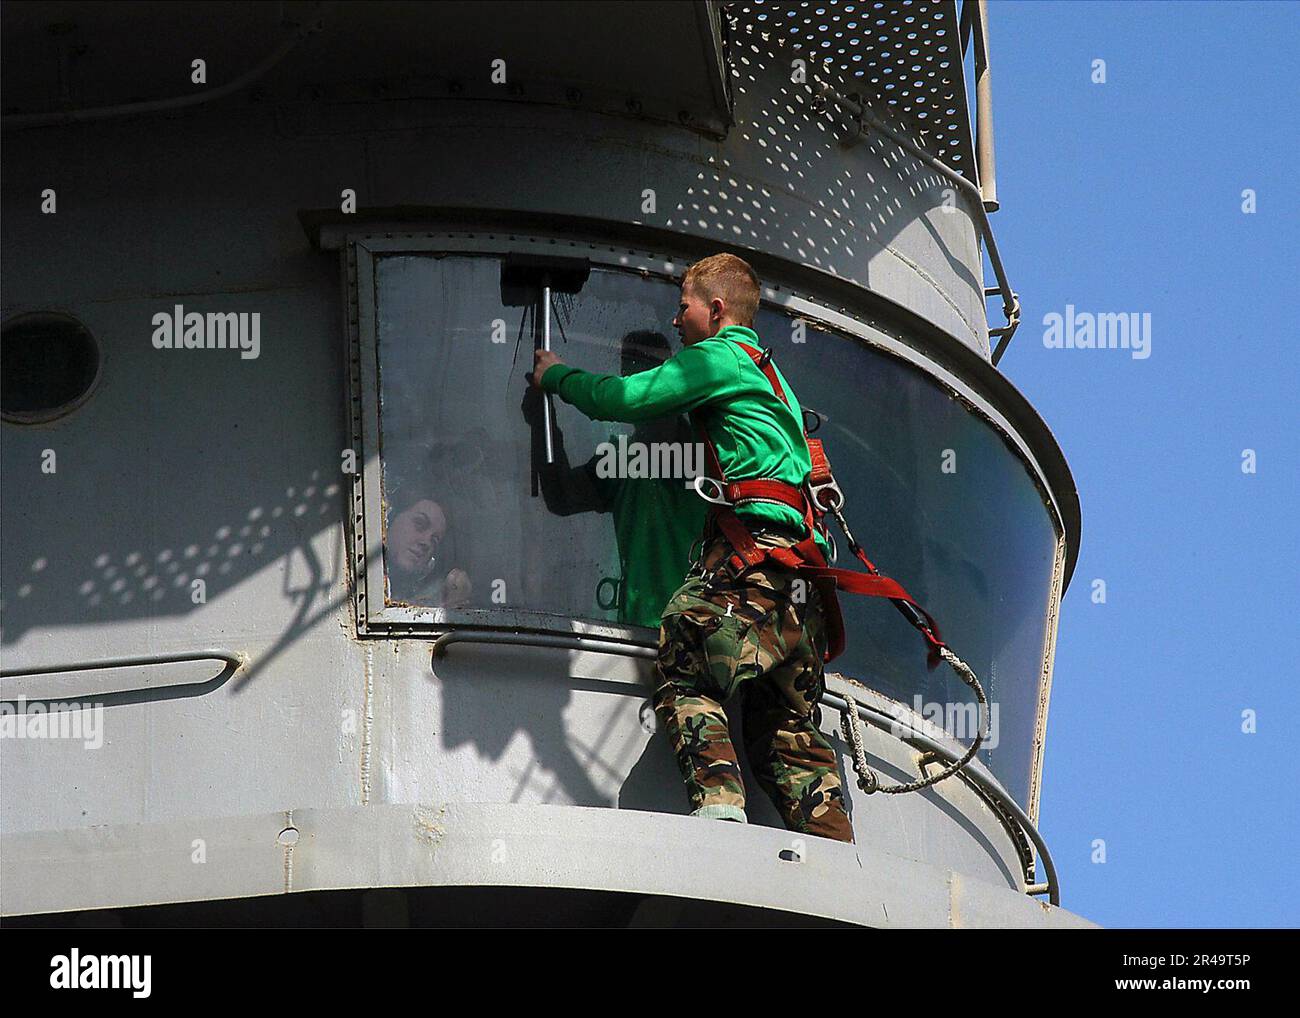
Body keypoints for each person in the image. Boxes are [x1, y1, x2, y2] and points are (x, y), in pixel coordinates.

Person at [530, 253, 854, 843]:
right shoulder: (774, 380)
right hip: (802, 586)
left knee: (685, 662)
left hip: (756, 559)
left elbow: (620, 400)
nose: (677, 322)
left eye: (684, 307)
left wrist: (554, 375)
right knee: (785, 729)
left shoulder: (720, 357)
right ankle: (837, 850)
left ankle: (721, 810)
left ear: (717, 308)